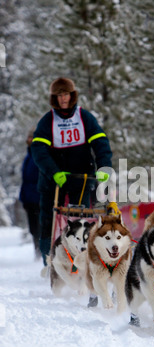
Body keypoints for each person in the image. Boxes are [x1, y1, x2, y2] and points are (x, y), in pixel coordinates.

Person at [31, 77, 120, 272]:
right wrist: (54, 172)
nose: (64, 99)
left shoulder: (84, 117)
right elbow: (39, 151)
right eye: (59, 95)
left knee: (83, 218)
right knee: (49, 218)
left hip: (82, 177)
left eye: (66, 94)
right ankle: (50, 259)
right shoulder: (48, 121)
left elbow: (101, 143)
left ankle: (84, 258)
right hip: (54, 180)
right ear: (55, 98)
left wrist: (104, 166)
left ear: (73, 95)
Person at [19, 129, 41, 259]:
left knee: (40, 228)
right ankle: (37, 254)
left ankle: (42, 254)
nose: (30, 140)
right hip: (29, 199)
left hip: (39, 198)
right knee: (33, 229)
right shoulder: (29, 156)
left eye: (32, 137)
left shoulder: (40, 155)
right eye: (29, 137)